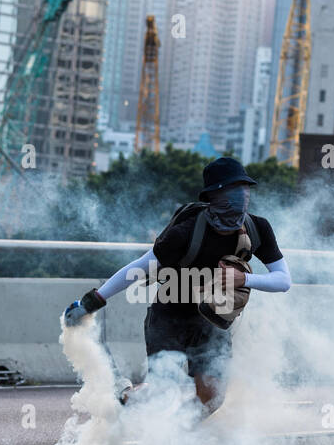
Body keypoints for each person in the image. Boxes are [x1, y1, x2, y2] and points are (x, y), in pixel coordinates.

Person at [61, 156, 290, 417]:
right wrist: (90, 303)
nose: (241, 196)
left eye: (244, 188)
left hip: (214, 321)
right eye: (232, 189)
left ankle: (180, 438)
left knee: (212, 400)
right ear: (214, 196)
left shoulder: (257, 228)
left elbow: (283, 280)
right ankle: (122, 391)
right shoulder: (186, 231)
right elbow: (139, 268)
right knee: (158, 395)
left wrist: (245, 279)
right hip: (170, 315)